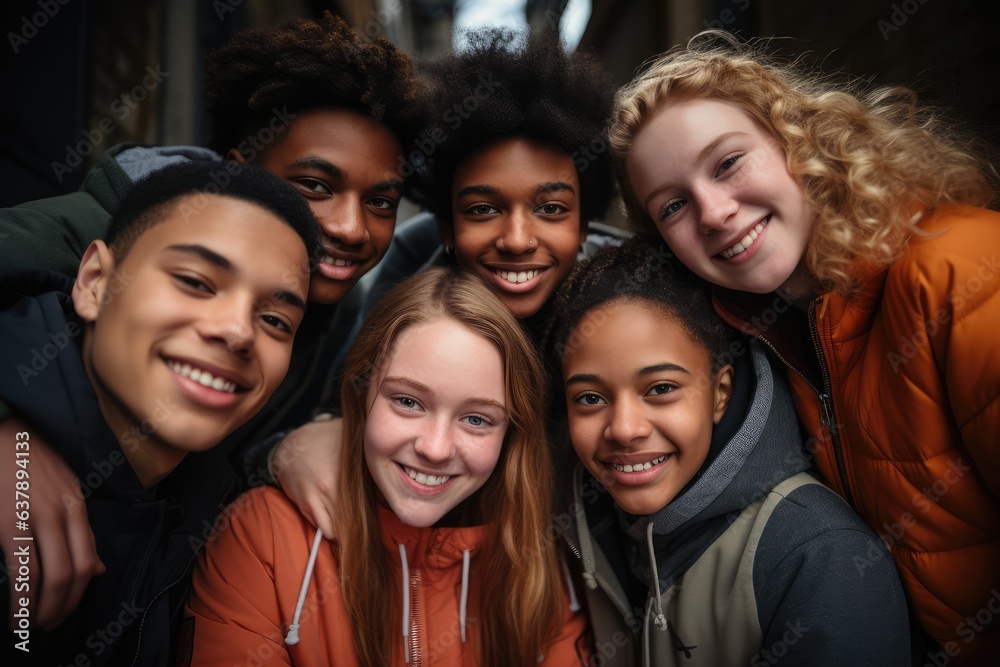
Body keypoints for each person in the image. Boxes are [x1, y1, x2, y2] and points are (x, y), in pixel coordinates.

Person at [0, 12, 426, 632]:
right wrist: (12, 439)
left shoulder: (341, 317)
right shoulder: (104, 224)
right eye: (314, 185)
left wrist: (288, 447)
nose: (350, 227)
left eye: (381, 201)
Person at [607, 31, 1000, 663]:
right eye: (673, 205)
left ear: (801, 140)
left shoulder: (965, 273)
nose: (713, 212)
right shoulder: (775, 332)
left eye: (728, 163)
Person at [271, 27, 625, 537]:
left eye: (551, 209)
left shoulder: (625, 314)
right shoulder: (401, 316)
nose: (517, 240)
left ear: (584, 225)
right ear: (447, 230)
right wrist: (304, 440)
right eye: (483, 209)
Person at [183, 268, 590, 666]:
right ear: (363, 394)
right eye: (408, 402)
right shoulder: (262, 535)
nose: (435, 449)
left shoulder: (542, 566)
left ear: (511, 434)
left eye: (476, 419)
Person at [0, 161, 318, 666]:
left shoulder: (216, 527)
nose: (238, 331)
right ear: (95, 282)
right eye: (195, 282)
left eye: (276, 320)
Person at [552, 238, 911, 665]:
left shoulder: (821, 556)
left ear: (720, 393)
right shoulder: (582, 514)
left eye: (661, 388)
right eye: (590, 398)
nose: (624, 430)